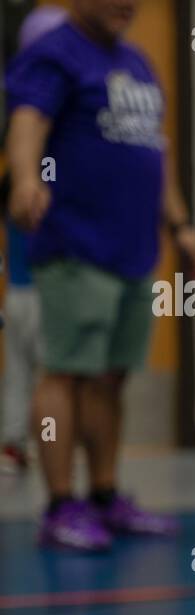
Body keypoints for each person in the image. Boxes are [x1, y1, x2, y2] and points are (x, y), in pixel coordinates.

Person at [4, 0, 195, 550]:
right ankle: (58, 506)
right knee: (66, 371)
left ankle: (103, 495)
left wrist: (181, 224)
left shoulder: (138, 63)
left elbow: (156, 151)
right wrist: (25, 179)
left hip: (134, 250)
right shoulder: (55, 54)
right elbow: (28, 119)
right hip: (76, 245)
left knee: (111, 376)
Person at [0, 5, 69, 474]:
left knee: (18, 377)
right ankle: (58, 452)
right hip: (43, 294)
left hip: (17, 296)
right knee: (55, 378)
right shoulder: (48, 176)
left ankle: (11, 444)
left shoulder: (14, 176)